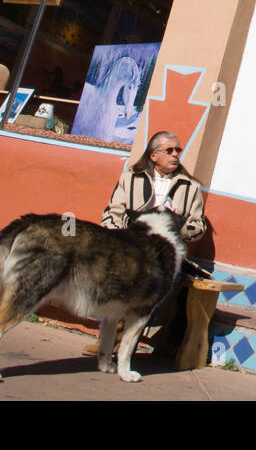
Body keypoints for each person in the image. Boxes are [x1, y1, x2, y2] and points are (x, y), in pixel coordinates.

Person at [82, 130, 206, 357]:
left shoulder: (190, 187)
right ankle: (112, 333)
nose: (175, 154)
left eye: (178, 150)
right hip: (130, 246)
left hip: (164, 254)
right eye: (169, 150)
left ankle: (120, 336)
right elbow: (113, 211)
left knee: (161, 284)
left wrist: (177, 228)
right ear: (153, 155)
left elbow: (198, 225)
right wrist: (118, 238)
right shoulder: (131, 178)